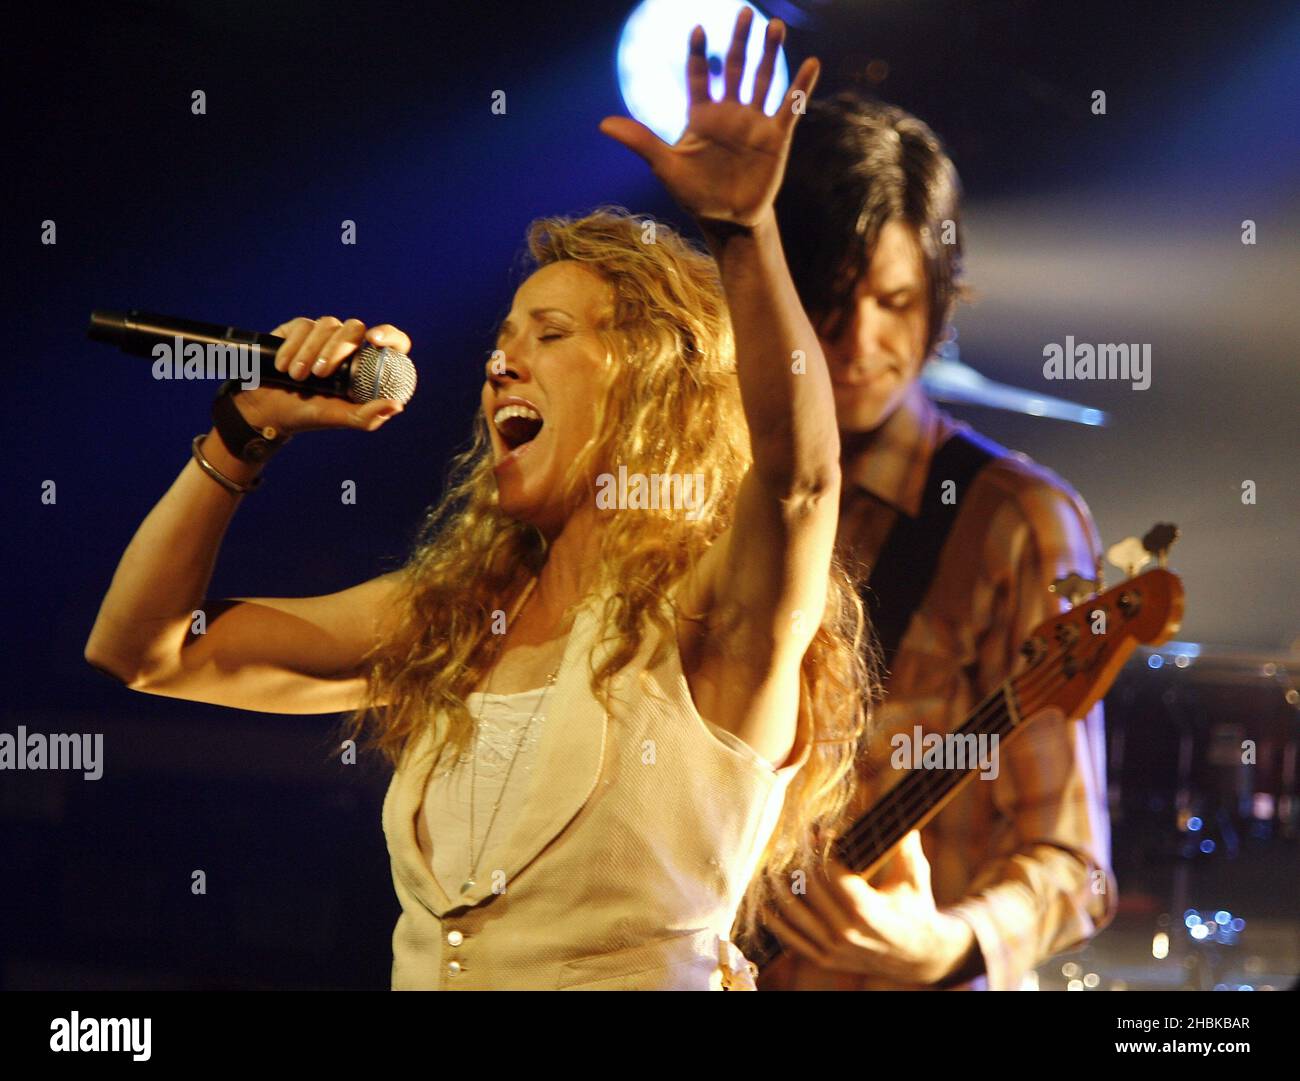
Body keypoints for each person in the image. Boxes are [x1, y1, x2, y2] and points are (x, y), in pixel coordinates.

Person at [84, 12, 870, 990]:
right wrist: (243, 434)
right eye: (503, 339)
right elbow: (141, 650)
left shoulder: (711, 620)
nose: (501, 362)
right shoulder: (455, 618)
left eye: (548, 334)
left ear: (654, 378)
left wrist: (746, 234)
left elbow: (799, 481)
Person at [756, 92, 1116, 990]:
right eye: (830, 300)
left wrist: (943, 945)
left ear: (942, 300)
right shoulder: (718, 499)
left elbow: (1075, 864)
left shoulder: (1014, 520)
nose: (861, 340)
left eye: (898, 300)